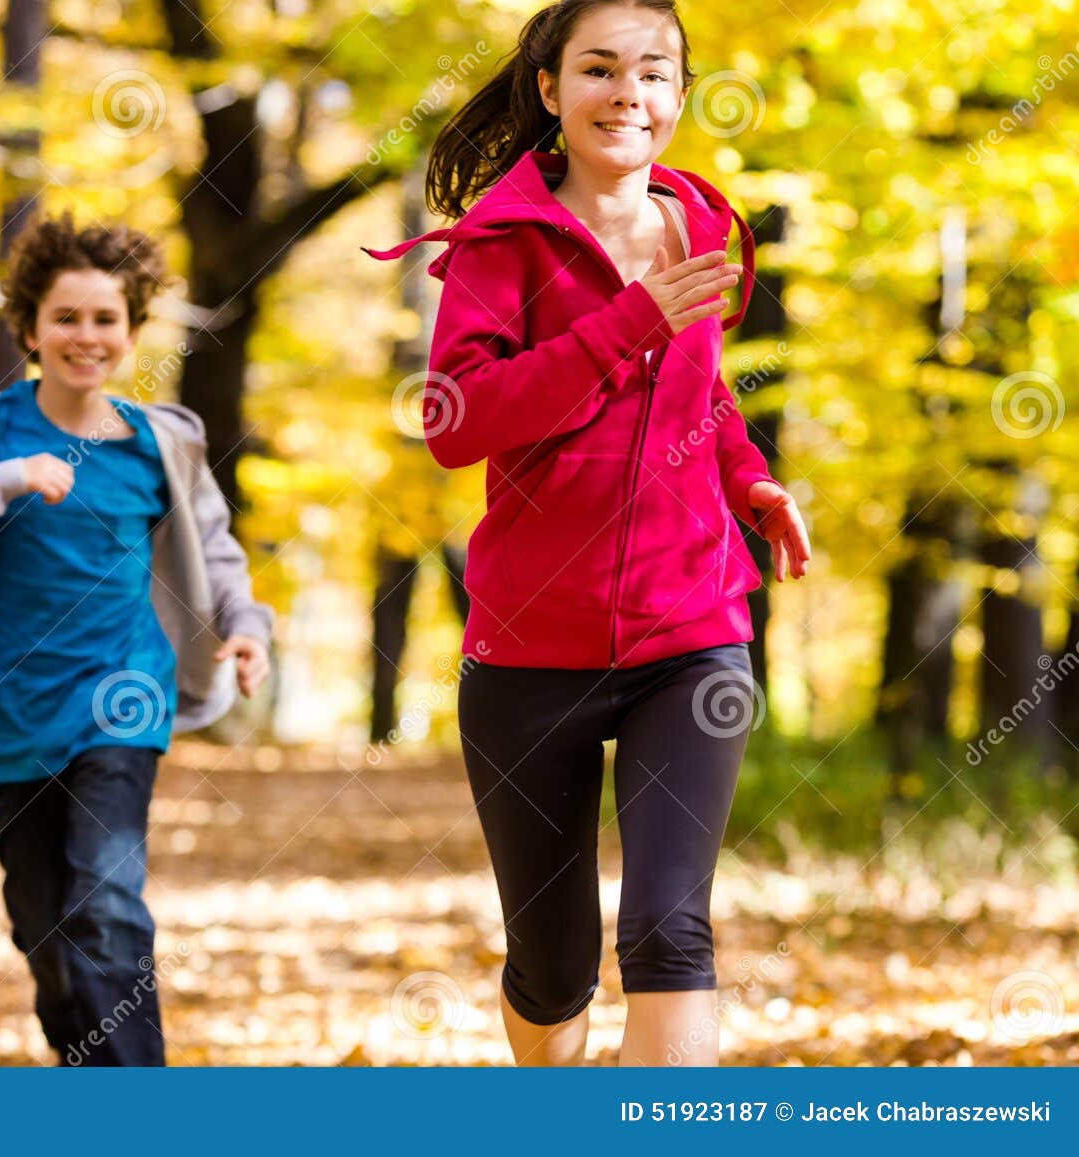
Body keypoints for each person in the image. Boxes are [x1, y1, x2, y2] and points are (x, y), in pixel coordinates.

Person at [364, 0, 812, 1065]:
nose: (628, 94)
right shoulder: (501, 245)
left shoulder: (699, 223)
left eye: (653, 73)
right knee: (552, 963)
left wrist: (749, 482)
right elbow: (457, 422)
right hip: (528, 648)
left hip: (690, 630)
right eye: (600, 70)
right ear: (552, 90)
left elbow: (700, 402)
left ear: (680, 96)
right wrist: (629, 320)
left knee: (667, 924)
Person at [0, 212, 274, 1065]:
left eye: (105, 319)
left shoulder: (159, 443)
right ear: (29, 328)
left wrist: (243, 625)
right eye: (66, 318)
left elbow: (211, 547)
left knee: (107, 900)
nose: (85, 337)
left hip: (121, 698)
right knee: (47, 936)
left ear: (130, 333)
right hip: (8, 704)